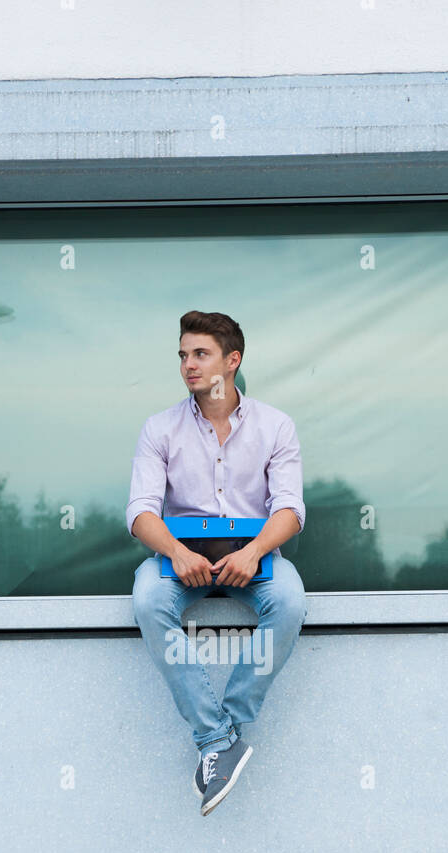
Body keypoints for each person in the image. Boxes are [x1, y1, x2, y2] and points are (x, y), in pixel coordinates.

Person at [127, 309, 308, 817]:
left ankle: (222, 731)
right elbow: (140, 511)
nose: (189, 364)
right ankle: (217, 739)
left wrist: (252, 553)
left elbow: (290, 509)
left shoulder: (276, 426)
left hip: (254, 559)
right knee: (147, 598)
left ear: (233, 360)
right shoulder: (159, 428)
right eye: (183, 355)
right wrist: (177, 553)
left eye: (201, 354)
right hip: (178, 560)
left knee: (290, 601)